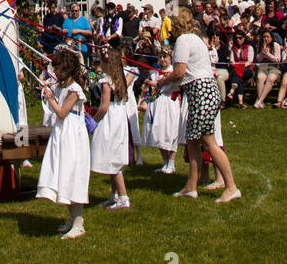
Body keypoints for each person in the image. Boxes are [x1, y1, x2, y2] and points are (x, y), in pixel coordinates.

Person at [166, 8, 240, 203]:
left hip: (201, 92)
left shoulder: (182, 41)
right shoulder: (196, 39)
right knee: (192, 143)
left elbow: (180, 72)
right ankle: (191, 186)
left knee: (209, 143)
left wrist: (162, 81)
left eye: (173, 25)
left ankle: (231, 187)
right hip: (204, 91)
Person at [37, 47, 90, 238]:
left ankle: (79, 222)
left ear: (67, 69)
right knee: (63, 172)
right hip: (62, 131)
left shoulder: (75, 89)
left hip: (72, 133)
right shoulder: (61, 86)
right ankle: (72, 218)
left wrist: (50, 99)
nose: (55, 72)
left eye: (58, 68)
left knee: (72, 172)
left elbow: (61, 112)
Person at [90, 47, 131, 211]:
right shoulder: (119, 78)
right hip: (119, 116)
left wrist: (92, 121)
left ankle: (123, 197)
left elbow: (104, 106)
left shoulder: (106, 81)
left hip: (111, 119)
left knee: (111, 156)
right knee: (113, 152)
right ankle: (114, 195)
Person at [141, 47, 180, 174]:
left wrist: (153, 83)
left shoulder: (173, 71)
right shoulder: (155, 72)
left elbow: (169, 87)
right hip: (157, 103)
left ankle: (172, 163)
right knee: (157, 132)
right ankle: (165, 162)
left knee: (170, 131)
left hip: (169, 102)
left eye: (165, 57)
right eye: (161, 57)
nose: (162, 60)